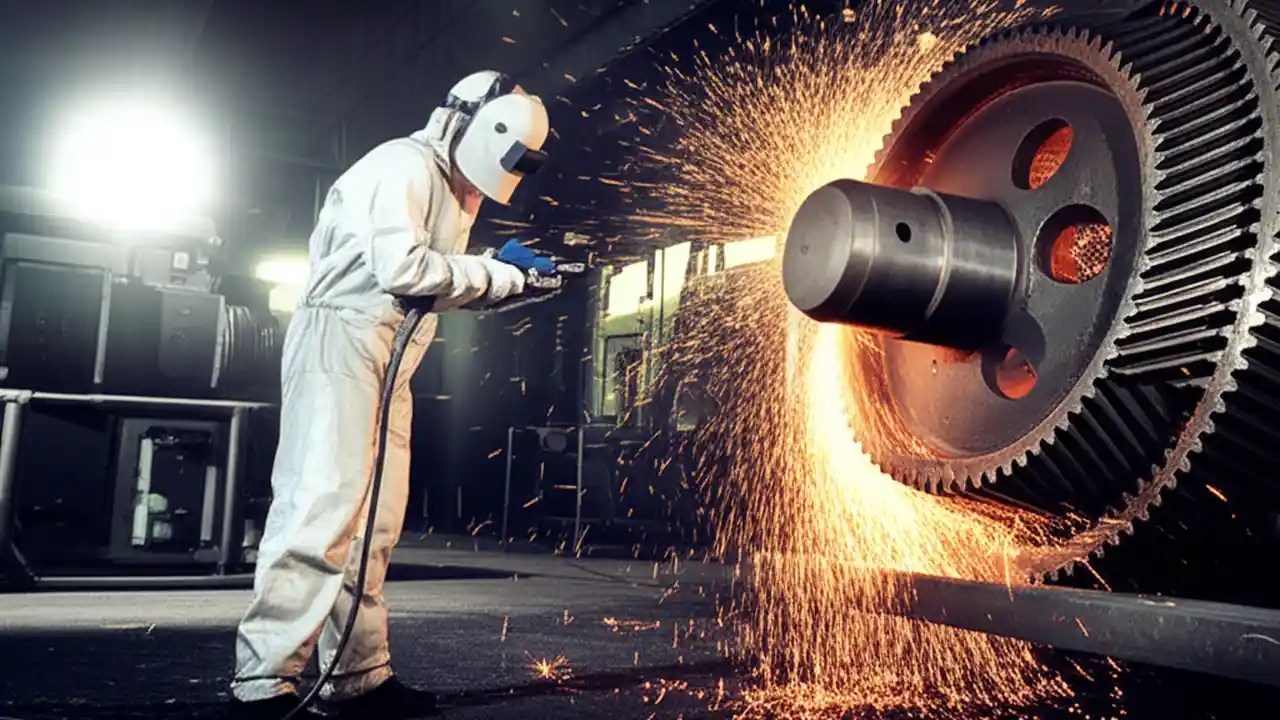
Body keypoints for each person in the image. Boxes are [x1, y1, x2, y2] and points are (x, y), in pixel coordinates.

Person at [229, 70, 550, 720]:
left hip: (389, 352)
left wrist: (506, 280)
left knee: (374, 520)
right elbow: (402, 269)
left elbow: (436, 281)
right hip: (339, 342)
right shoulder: (400, 165)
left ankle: (358, 678)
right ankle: (264, 683)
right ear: (469, 127)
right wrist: (496, 274)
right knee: (322, 508)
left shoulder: (455, 183)